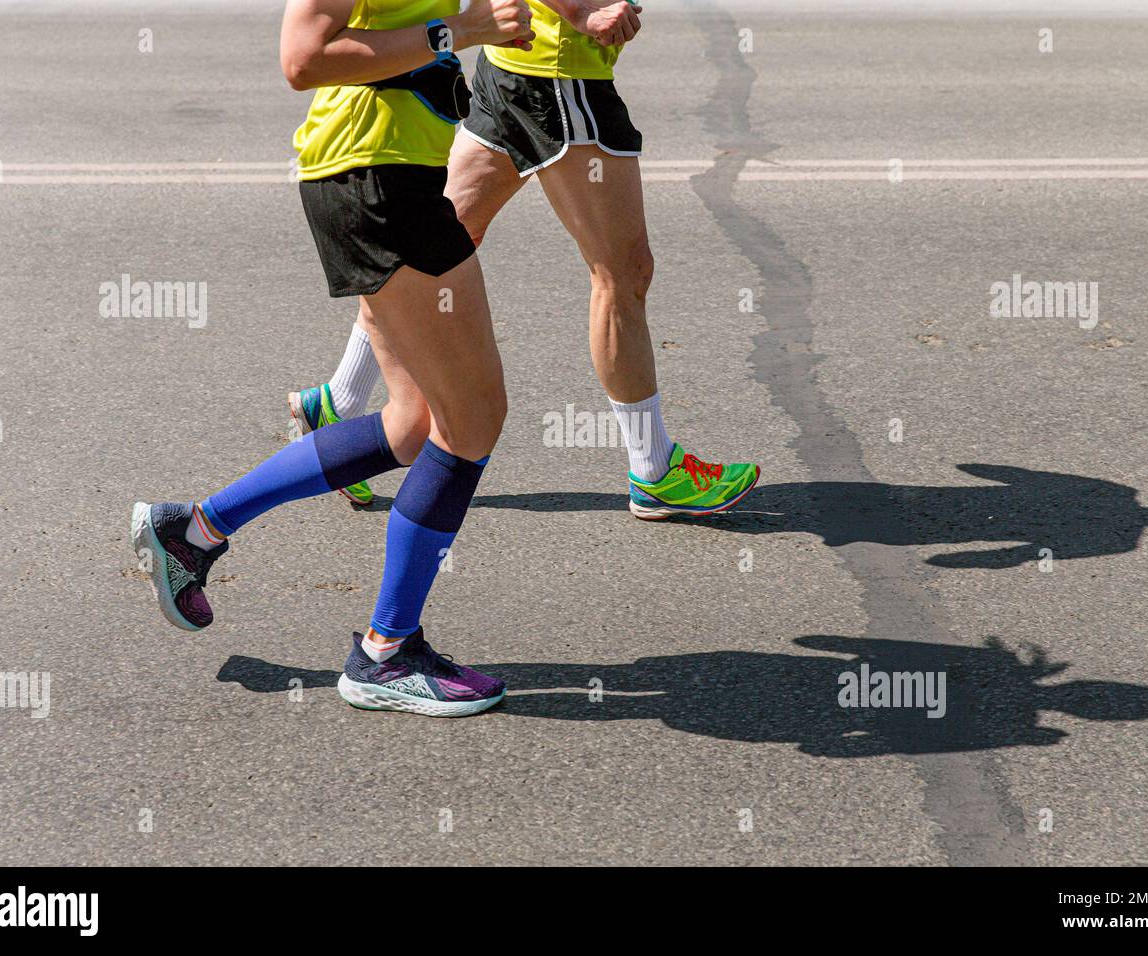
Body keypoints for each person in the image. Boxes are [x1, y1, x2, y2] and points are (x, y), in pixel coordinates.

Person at [131, 0, 538, 717]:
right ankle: (387, 654)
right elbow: (305, 58)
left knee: (413, 423)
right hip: (375, 182)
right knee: (473, 420)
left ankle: (191, 531)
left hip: (390, 175)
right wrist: (461, 32)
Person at [288, 0, 761, 520]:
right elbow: (303, 60)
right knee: (623, 272)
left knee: (425, 250)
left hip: (517, 64)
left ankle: (341, 400)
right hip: (558, 74)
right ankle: (653, 469)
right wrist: (578, 10)